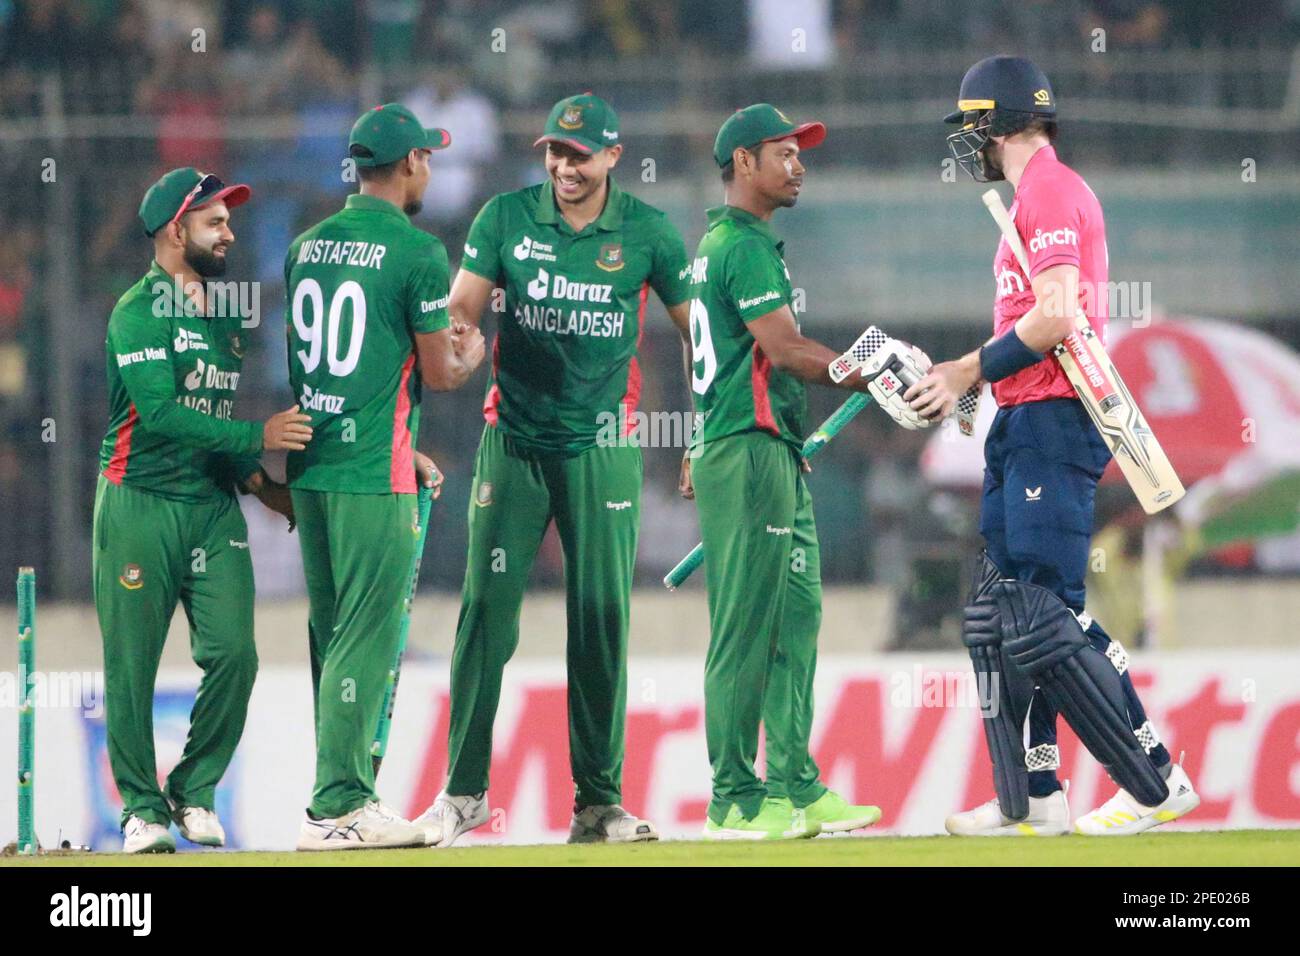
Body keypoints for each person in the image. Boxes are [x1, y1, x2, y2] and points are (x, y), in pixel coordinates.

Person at [907, 55, 1200, 836]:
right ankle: (1032, 793)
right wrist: (978, 387)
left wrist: (971, 363)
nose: (968, 141)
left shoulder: (1054, 192)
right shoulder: (1027, 197)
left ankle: (1155, 779)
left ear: (1000, 122)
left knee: (1041, 616)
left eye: (973, 124)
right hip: (1021, 418)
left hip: (1057, 421)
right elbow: (1029, 324)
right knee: (996, 614)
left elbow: (1059, 314)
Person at [414, 94, 692, 846]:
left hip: (603, 446)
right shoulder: (504, 218)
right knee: (484, 616)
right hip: (516, 441)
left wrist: (700, 432)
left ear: (611, 157)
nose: (563, 167)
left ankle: (599, 803)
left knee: (600, 619)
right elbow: (463, 312)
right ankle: (464, 792)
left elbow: (700, 332)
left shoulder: (648, 232)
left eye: (578, 154)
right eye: (554, 153)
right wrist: (462, 346)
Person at [286, 104, 485, 851]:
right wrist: (474, 352)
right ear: (408, 165)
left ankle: (339, 798)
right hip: (373, 474)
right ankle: (338, 807)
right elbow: (440, 369)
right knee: (365, 638)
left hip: (314, 465)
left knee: (334, 638)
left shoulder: (305, 246)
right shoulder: (418, 251)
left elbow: (326, 368)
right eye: (426, 157)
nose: (429, 168)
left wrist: (406, 441)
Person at [686, 104, 886, 839]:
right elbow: (787, 350)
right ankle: (734, 799)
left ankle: (794, 784)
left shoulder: (728, 246)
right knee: (745, 625)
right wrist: (871, 376)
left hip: (768, 449)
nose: (798, 165)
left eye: (800, 154)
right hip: (749, 450)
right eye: (784, 153)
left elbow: (710, 350)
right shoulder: (740, 247)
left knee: (795, 617)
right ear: (744, 162)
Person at [94, 168, 308, 854]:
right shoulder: (136, 310)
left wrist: (258, 482)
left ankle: (194, 790)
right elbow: (159, 414)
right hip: (139, 502)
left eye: (228, 220)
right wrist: (259, 439)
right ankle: (141, 812)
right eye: (214, 221)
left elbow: (211, 417)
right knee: (133, 666)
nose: (229, 232)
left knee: (236, 655)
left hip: (210, 508)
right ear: (172, 230)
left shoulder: (225, 317)